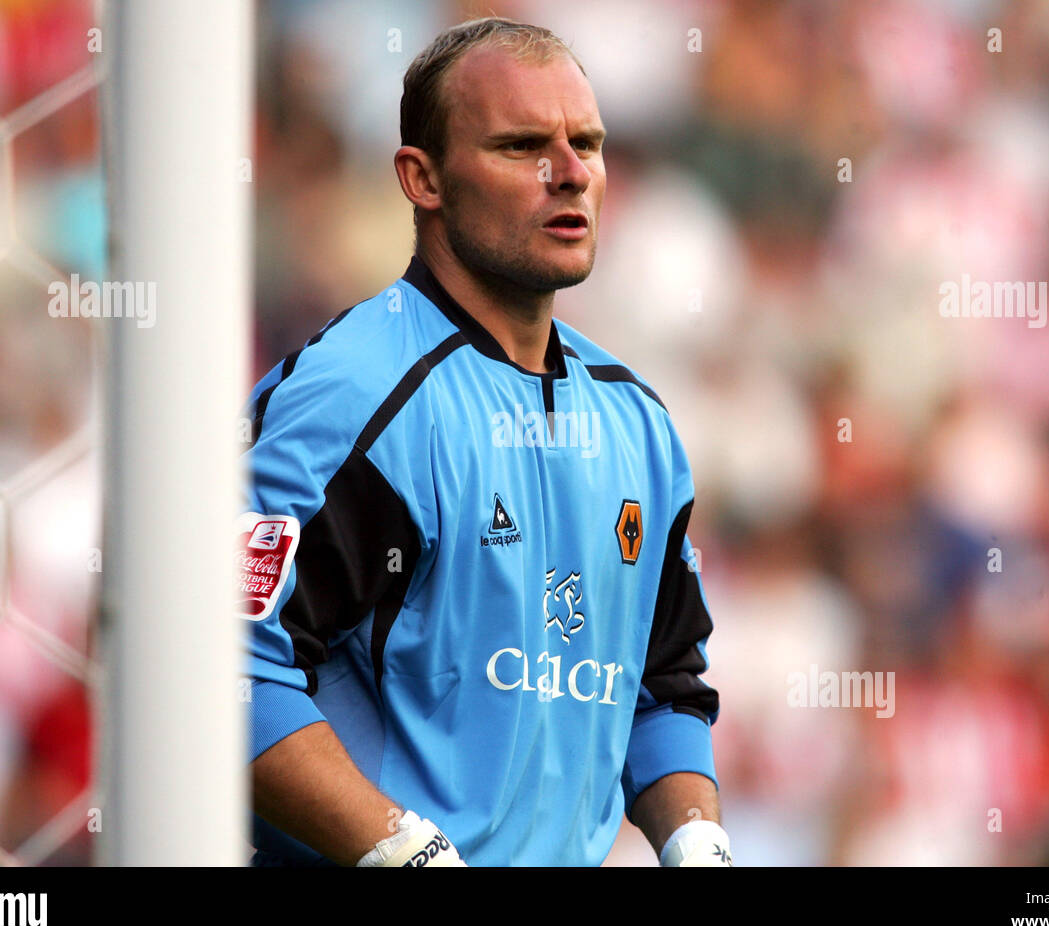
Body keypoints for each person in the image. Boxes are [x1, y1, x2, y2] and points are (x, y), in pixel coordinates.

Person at [240, 16, 730, 867]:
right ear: (421, 178)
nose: (570, 173)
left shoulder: (637, 422)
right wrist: (401, 851)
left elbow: (662, 687)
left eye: (588, 142)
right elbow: (228, 669)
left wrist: (698, 839)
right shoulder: (357, 398)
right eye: (520, 147)